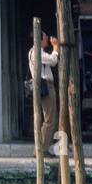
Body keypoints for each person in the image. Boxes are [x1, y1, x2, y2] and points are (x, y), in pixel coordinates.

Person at [29, 26, 59, 154]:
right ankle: (41, 150)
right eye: (46, 37)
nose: (48, 39)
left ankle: (41, 148)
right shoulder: (37, 52)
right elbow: (53, 61)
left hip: (46, 85)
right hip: (45, 85)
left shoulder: (38, 51)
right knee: (49, 120)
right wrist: (55, 48)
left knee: (50, 118)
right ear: (40, 39)